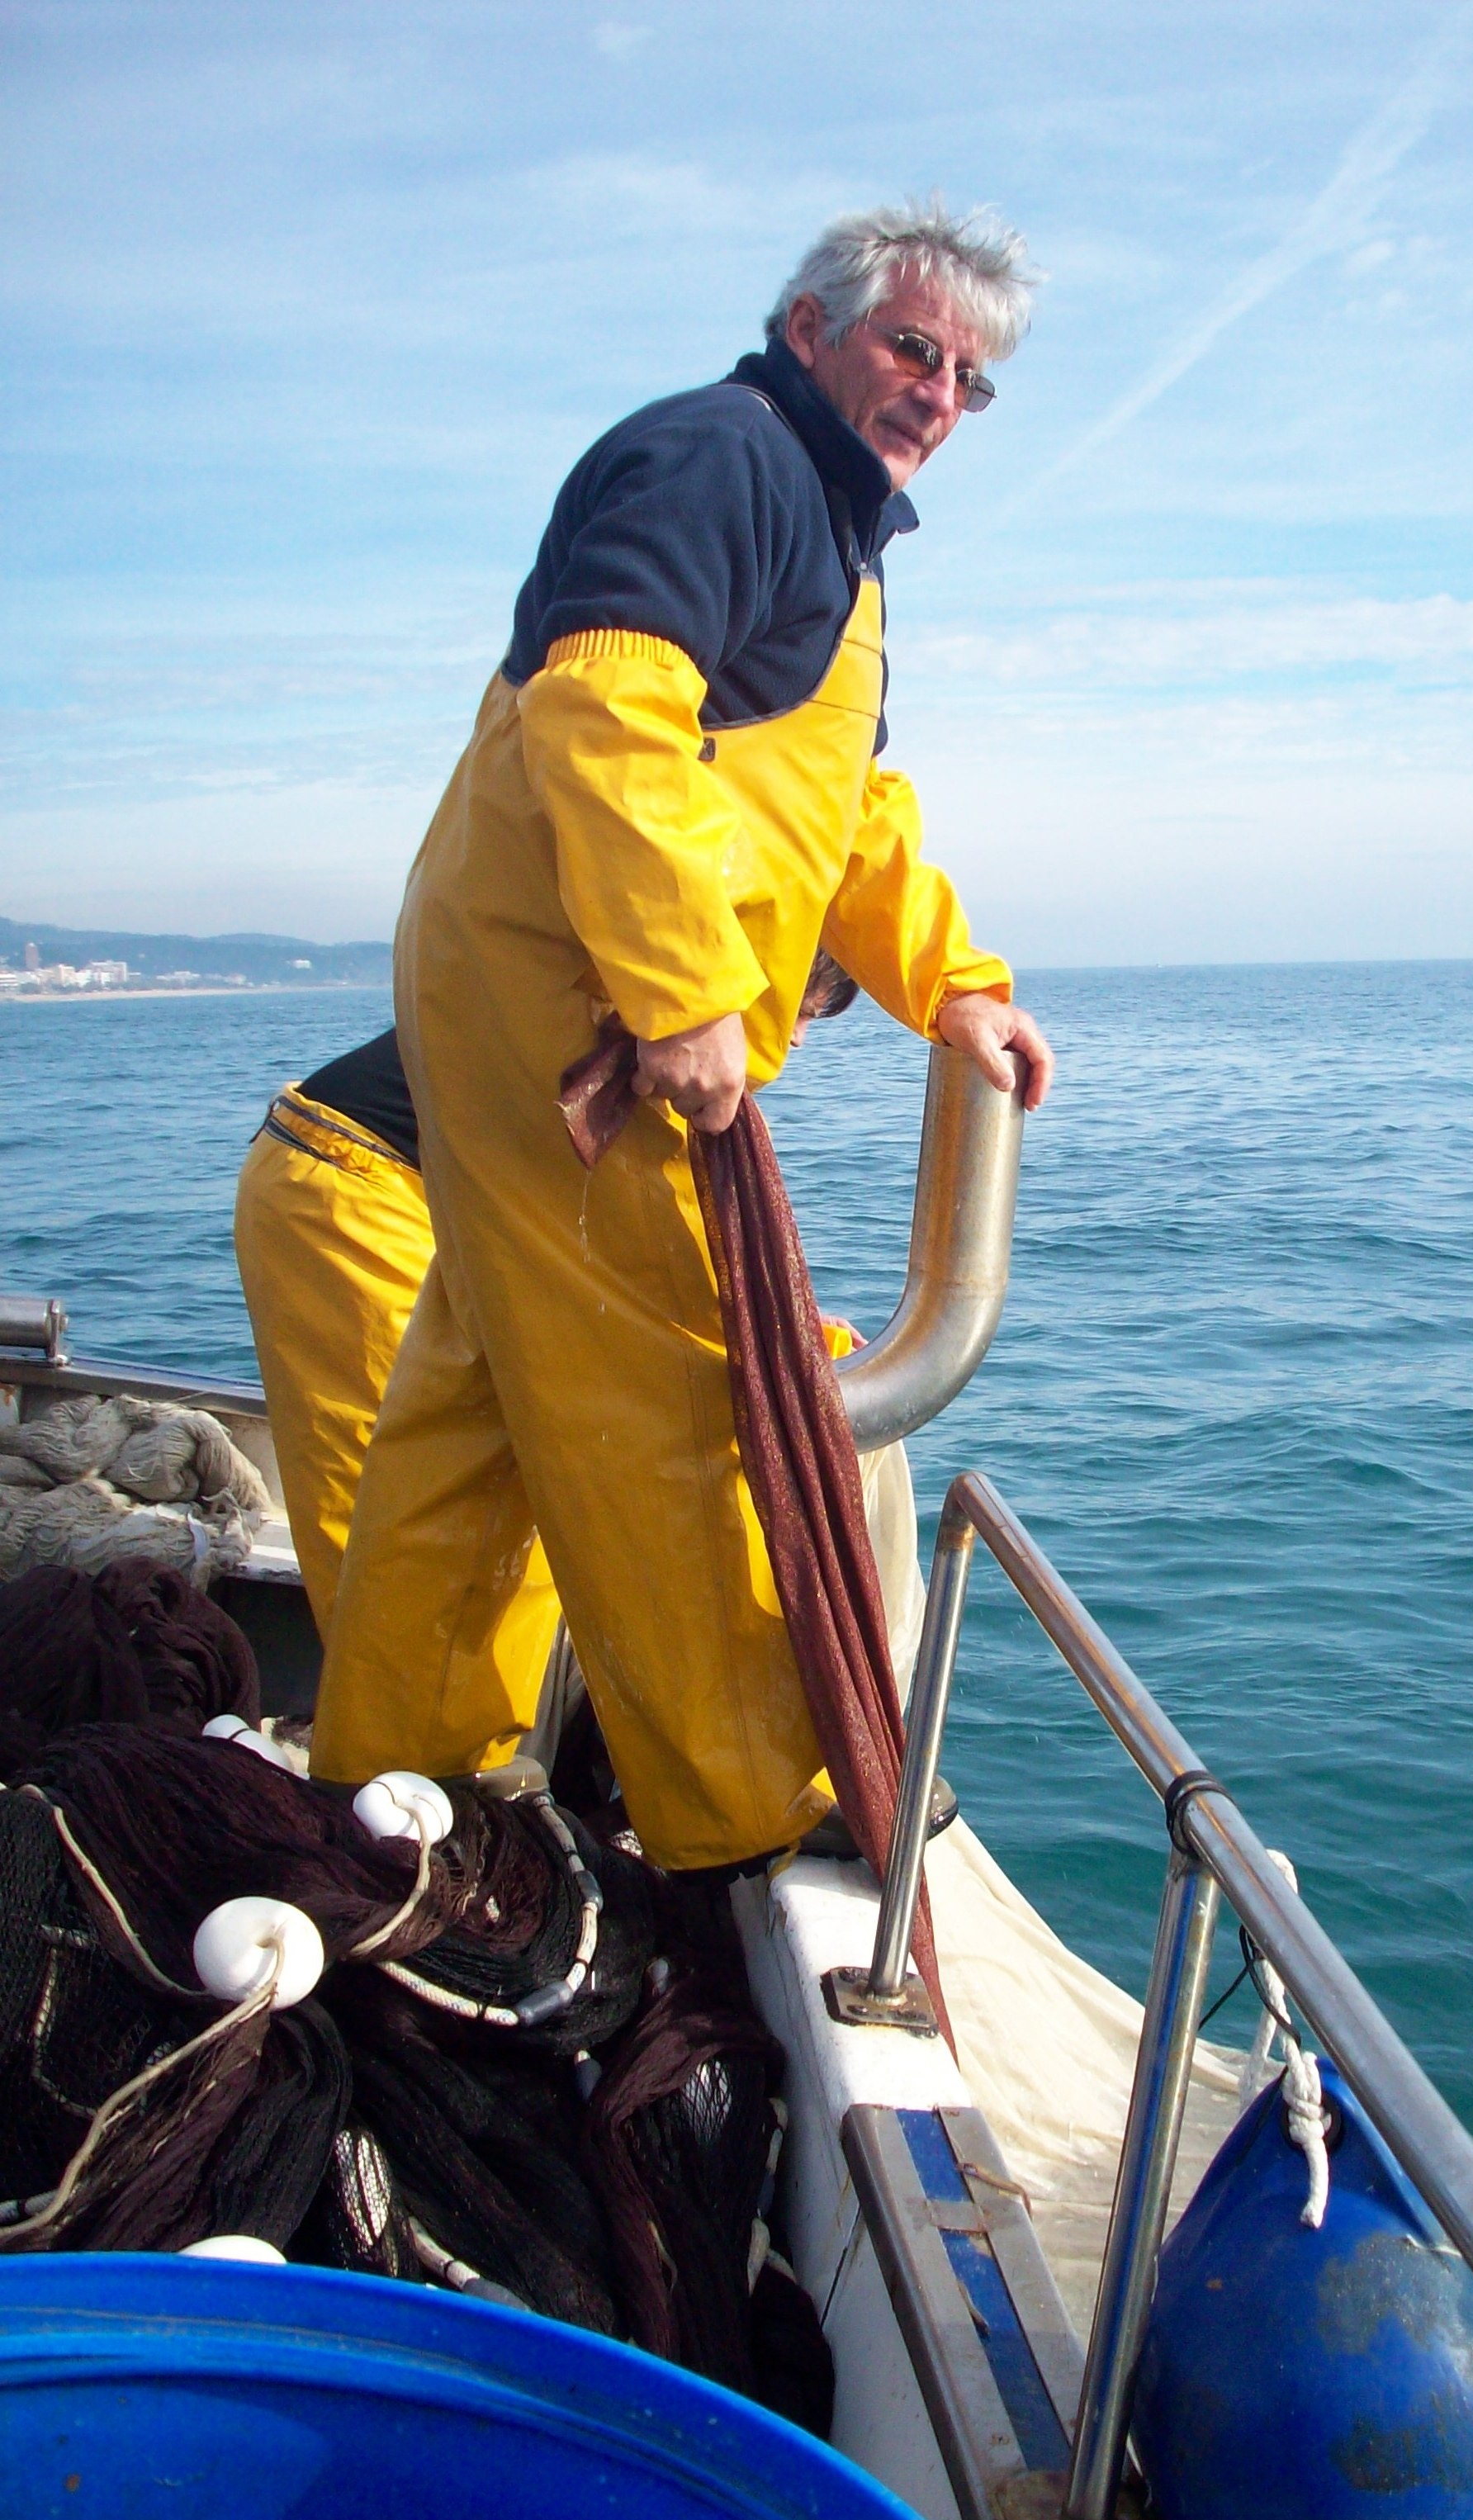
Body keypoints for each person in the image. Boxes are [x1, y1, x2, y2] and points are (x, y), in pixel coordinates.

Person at [310, 201, 1054, 1873]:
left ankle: (390, 1772)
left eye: (971, 378)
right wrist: (681, 991)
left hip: (534, 985)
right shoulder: (728, 458)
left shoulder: (835, 533)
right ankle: (748, 1814)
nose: (939, 394)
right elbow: (602, 704)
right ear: (810, 332)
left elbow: (846, 812)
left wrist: (952, 983)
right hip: (571, 1001)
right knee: (677, 1395)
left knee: (477, 1397)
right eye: (913, 348)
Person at [232, 957, 925, 1710]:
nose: (796, 1041)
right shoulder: (663, 1025)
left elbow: (637, 1225)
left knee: (495, 1523)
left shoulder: (657, 1012)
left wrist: (779, 1321)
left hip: (452, 1210)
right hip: (351, 1188)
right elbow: (647, 1223)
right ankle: (402, 1766)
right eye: (805, 1010)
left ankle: (456, 1746)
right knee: (407, 1537)